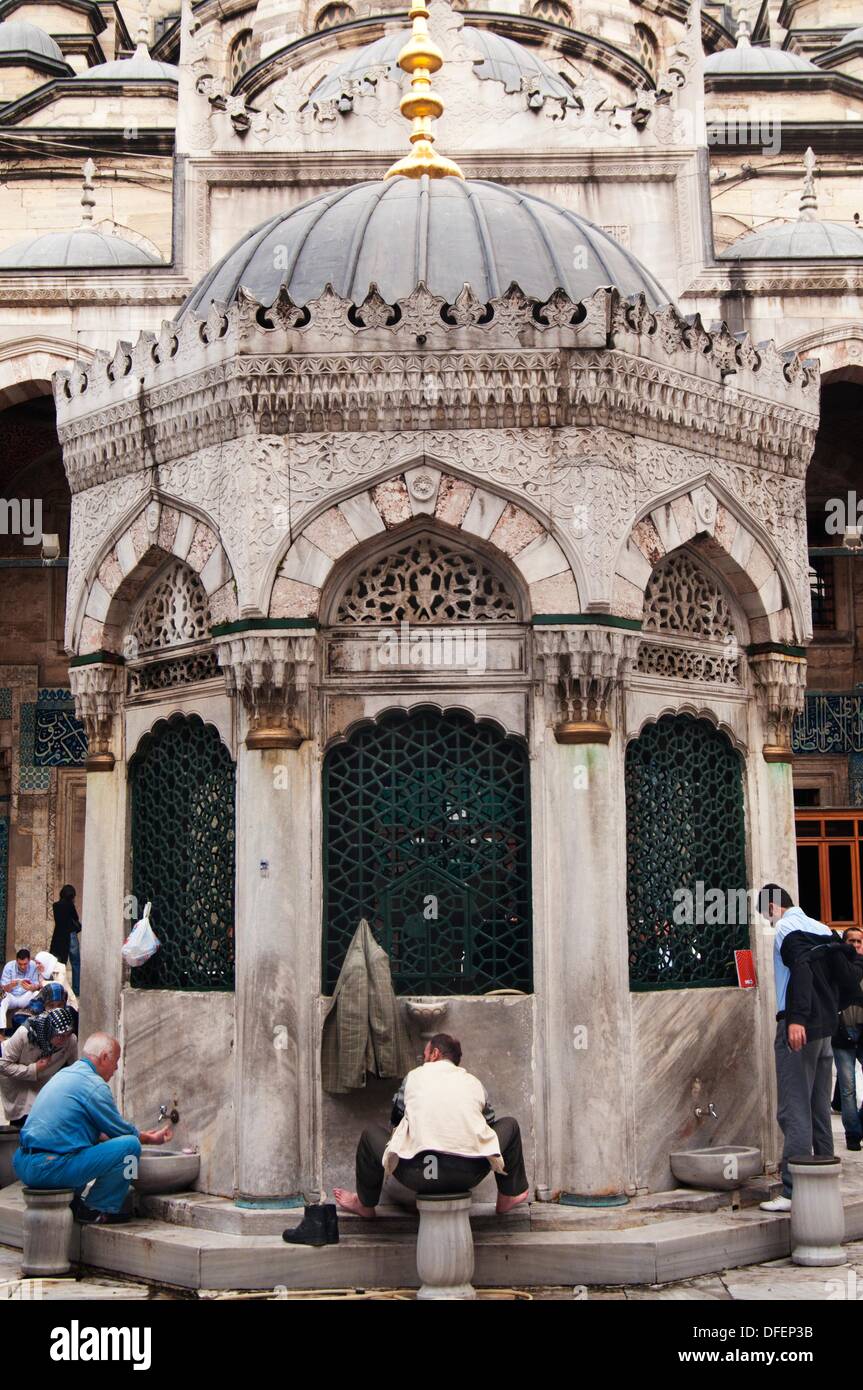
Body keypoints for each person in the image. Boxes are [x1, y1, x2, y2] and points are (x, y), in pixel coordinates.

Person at [332, 1033, 529, 1222]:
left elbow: (396, 1120)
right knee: (509, 1125)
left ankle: (365, 1204)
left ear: (434, 1054)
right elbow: (489, 1124)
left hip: (417, 1175)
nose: (424, 1059)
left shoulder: (414, 1077)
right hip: (468, 1174)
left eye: (425, 1055)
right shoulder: (473, 1082)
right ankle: (506, 1197)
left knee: (370, 1135)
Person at [758, 884, 863, 1213]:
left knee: (794, 1109)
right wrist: (831, 1010)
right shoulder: (823, 928)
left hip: (799, 1029)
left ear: (774, 906)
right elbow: (847, 977)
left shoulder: (787, 928)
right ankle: (824, 1181)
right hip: (824, 1031)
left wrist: (797, 1018)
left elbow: (800, 968)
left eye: (766, 914)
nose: (768, 921)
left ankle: (793, 1191)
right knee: (819, 1109)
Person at [13, 1031, 173, 1224]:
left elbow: (82, 1132)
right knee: (131, 1147)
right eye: (116, 1061)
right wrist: (148, 1138)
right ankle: (99, 1208)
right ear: (105, 1057)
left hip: (25, 1163)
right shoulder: (93, 1085)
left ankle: (74, 1203)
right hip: (50, 1167)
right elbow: (121, 1132)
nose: (115, 1069)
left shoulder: (64, 1075)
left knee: (84, 1146)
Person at [0, 1001, 77, 1127]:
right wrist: (34, 1069)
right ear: (49, 1031)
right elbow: (3, 1065)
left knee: (43, 1118)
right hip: (17, 1081)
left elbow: (73, 1069)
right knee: (23, 1120)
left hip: (43, 1082)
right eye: (59, 1036)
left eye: (67, 1035)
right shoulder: (24, 1034)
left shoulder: (70, 1041)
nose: (63, 1040)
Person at [832, 927, 863, 1152]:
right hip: (842, 1033)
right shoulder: (837, 968)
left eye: (859, 941)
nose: (855, 944)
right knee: (848, 1088)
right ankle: (853, 1135)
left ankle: (858, 1124)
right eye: (851, 941)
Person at [0, 949, 42, 1034]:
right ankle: (1, 1031)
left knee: (37, 994)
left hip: (25, 996)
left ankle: (36, 1028)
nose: (23, 966)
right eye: (20, 964)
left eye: (25, 964)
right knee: (1, 996)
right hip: (12, 996)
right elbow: (3, 989)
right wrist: (10, 985)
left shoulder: (33, 966)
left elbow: (38, 985)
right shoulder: (9, 966)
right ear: (16, 960)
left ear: (29, 960)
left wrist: (32, 987)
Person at [51, 884, 81, 997]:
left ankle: (59, 989)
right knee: (76, 963)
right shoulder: (70, 905)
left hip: (59, 936)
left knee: (59, 964)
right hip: (71, 935)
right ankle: (76, 990)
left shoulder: (55, 906)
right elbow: (76, 918)